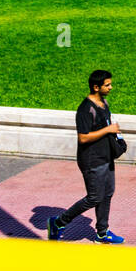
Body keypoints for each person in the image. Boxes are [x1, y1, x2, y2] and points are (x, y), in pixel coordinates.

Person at [48, 70, 124, 244]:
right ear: (96, 87)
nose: (111, 87)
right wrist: (108, 130)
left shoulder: (103, 103)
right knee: (94, 197)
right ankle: (59, 222)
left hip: (106, 157)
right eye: (107, 85)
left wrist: (117, 137)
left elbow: (107, 124)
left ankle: (102, 233)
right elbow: (83, 137)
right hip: (92, 160)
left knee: (107, 194)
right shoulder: (85, 109)